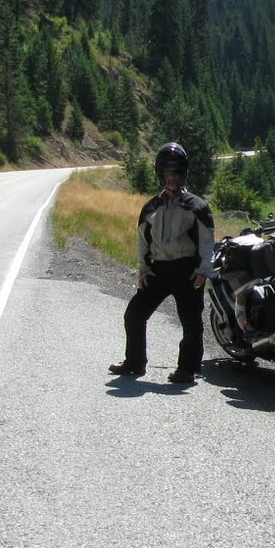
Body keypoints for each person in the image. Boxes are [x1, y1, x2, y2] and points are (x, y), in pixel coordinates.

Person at [110, 142, 215, 385]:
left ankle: (187, 370)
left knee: (190, 322)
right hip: (158, 270)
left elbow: (208, 242)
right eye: (167, 173)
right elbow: (142, 241)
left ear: (183, 173)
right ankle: (134, 363)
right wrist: (143, 269)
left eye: (176, 173)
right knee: (134, 314)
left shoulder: (197, 206)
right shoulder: (151, 207)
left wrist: (203, 271)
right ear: (160, 174)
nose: (171, 179)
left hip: (188, 271)